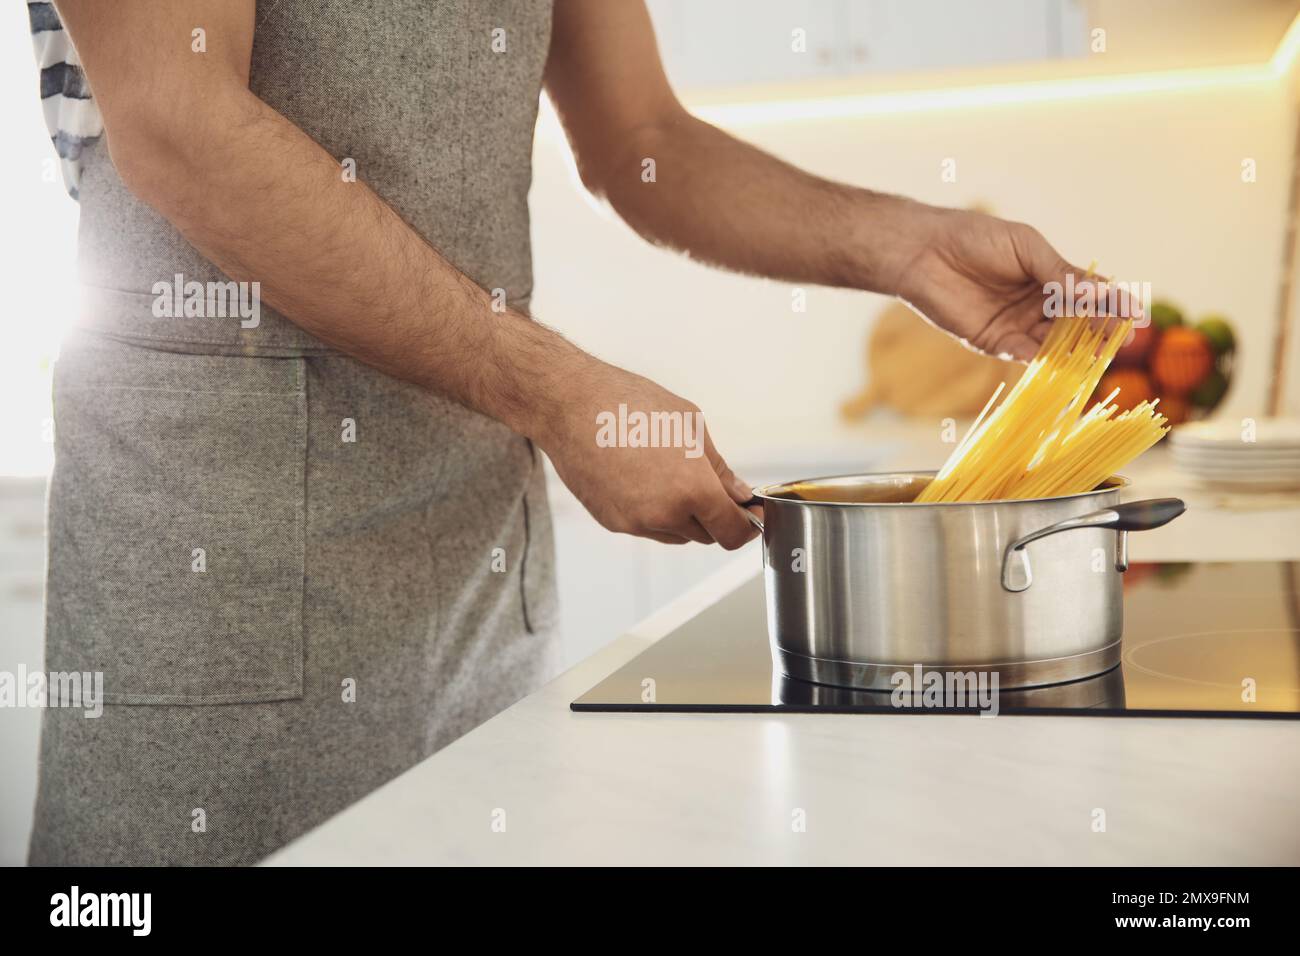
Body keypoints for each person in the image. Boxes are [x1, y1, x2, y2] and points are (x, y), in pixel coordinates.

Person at [28, 0, 1088, 865]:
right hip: (221, 550)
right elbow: (180, 122)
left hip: (478, 550)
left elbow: (642, 139)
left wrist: (906, 248)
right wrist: (558, 392)